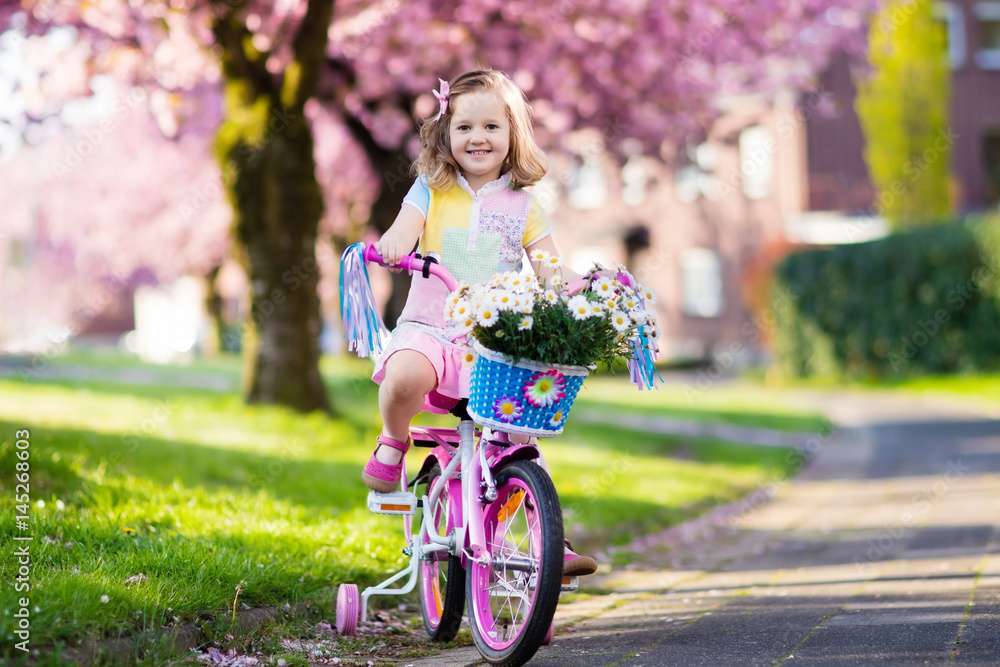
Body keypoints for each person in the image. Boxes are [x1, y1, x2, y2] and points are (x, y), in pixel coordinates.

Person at [364, 69, 597, 577]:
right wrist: (395, 244)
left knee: (522, 445)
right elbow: (404, 228)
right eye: (465, 127)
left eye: (492, 126)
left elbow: (551, 273)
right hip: (429, 329)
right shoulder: (431, 190)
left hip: (491, 345)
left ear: (513, 134)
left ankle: (547, 545)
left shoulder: (524, 207)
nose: (478, 138)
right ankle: (392, 439)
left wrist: (582, 285)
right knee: (404, 375)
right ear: (446, 135)